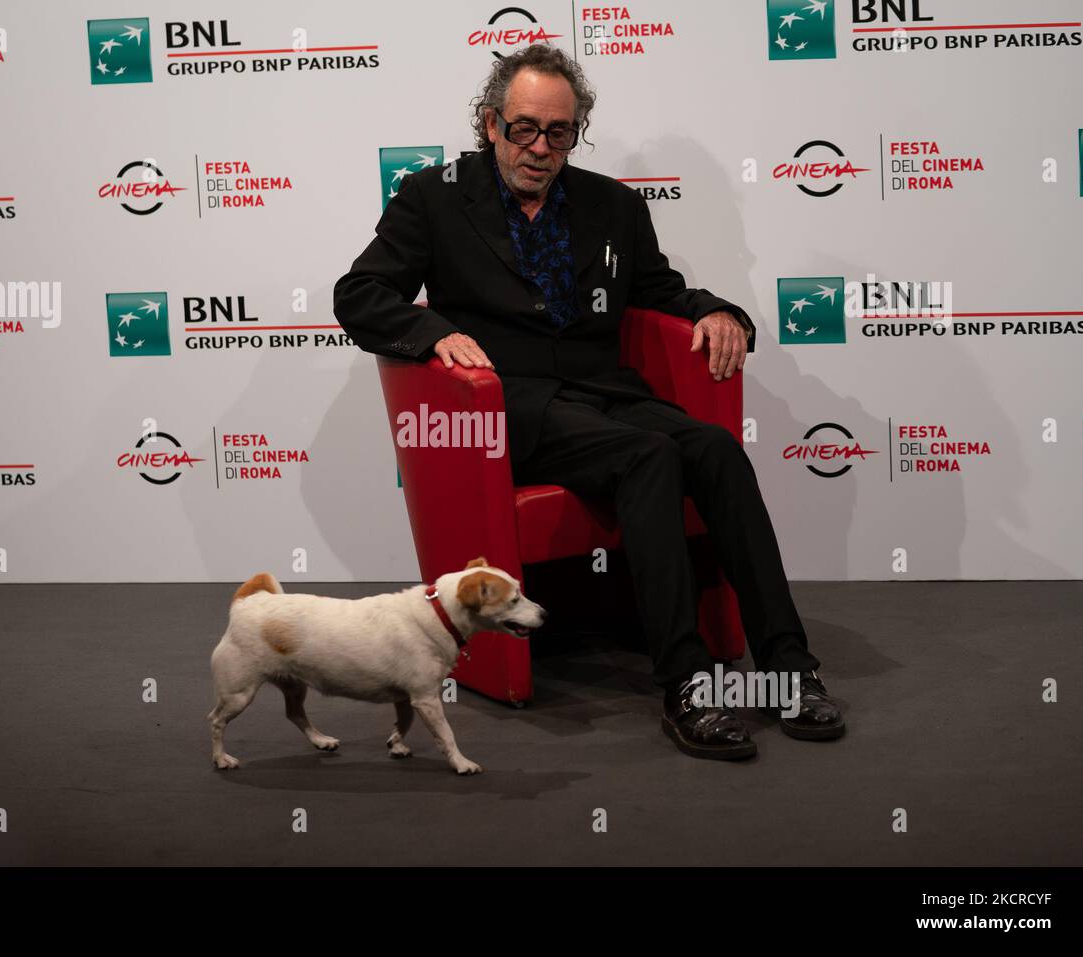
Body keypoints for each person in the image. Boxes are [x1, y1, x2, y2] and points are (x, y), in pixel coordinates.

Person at [333, 44, 845, 760]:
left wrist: (719, 311)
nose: (540, 148)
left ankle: (789, 669)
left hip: (606, 394)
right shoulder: (434, 196)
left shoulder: (613, 204)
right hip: (509, 408)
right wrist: (432, 331)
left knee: (718, 450)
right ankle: (689, 685)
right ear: (490, 124)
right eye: (523, 129)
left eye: (558, 133)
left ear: (575, 134)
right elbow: (359, 295)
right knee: (648, 455)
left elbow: (659, 294)